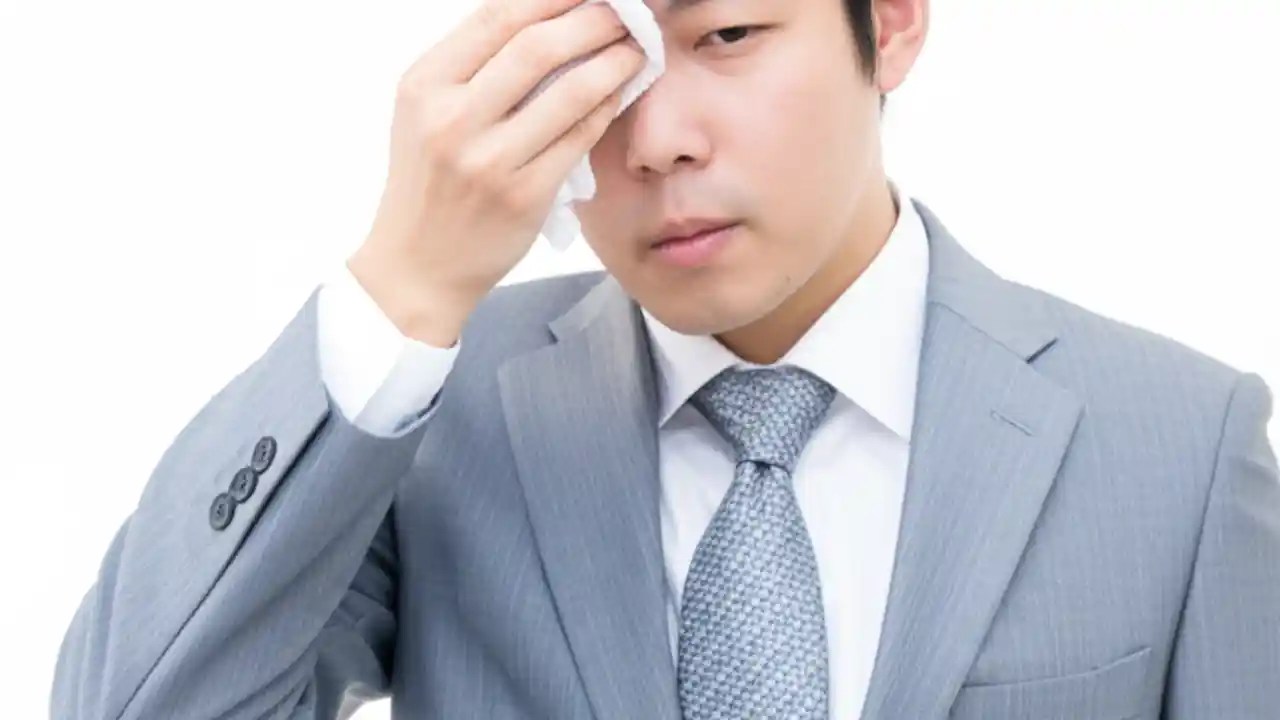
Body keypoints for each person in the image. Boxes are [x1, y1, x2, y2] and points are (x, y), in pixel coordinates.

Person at [51, 0, 1279, 717]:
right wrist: (405, 284)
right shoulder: (436, 420)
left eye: (728, 34)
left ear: (891, 22)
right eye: (600, 64)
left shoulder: (1175, 441)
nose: (656, 141)